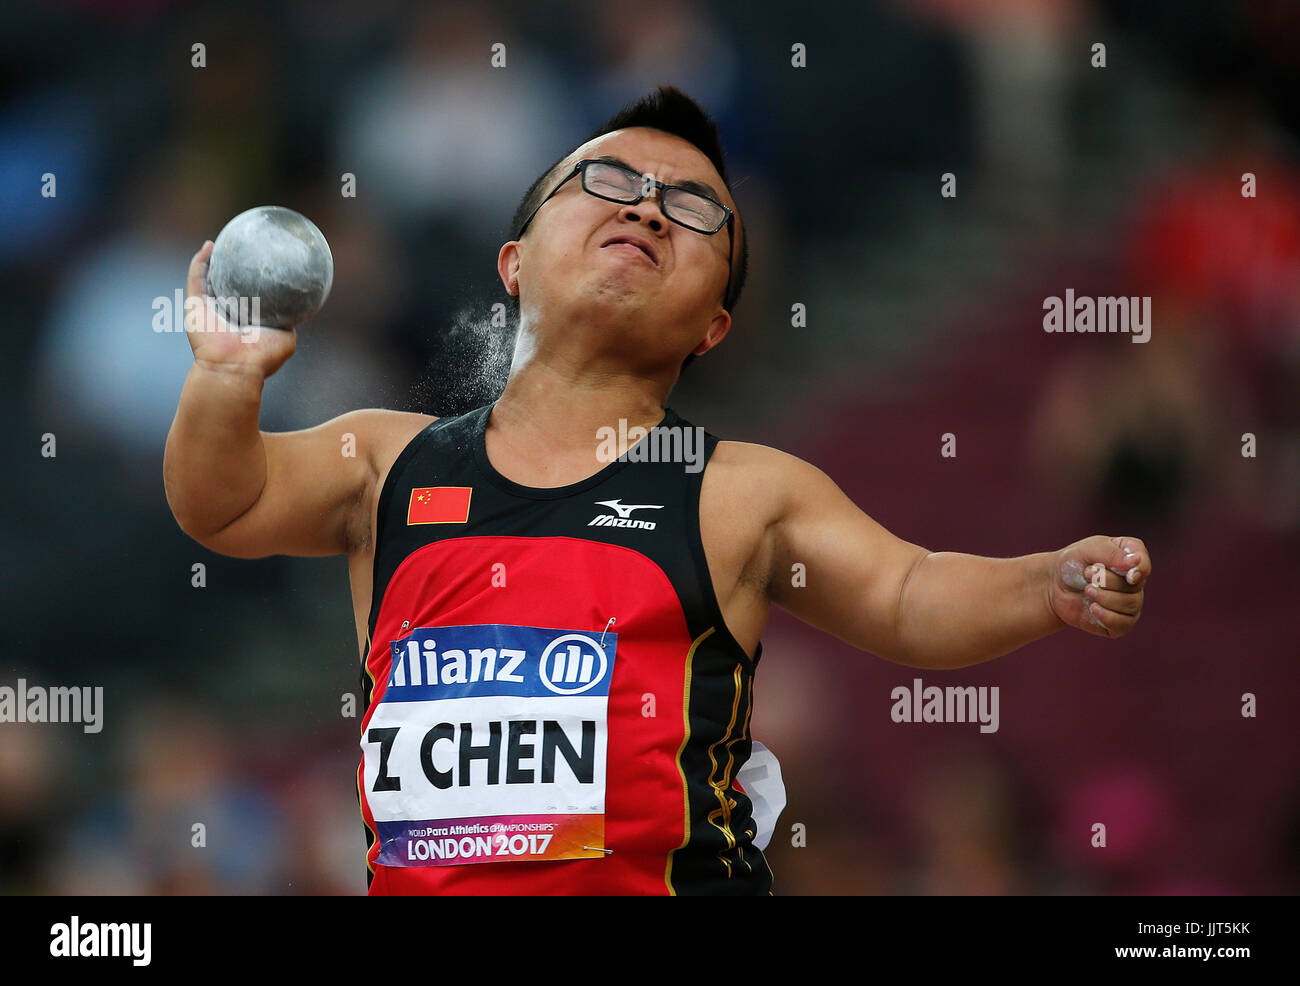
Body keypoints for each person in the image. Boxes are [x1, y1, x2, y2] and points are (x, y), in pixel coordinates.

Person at [164, 86, 1150, 896]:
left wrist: (1047, 582)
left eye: (691, 209)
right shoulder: (384, 461)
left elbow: (906, 592)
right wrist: (225, 376)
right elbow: (224, 502)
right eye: (605, 182)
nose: (643, 207)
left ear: (713, 326)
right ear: (513, 264)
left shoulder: (740, 490)